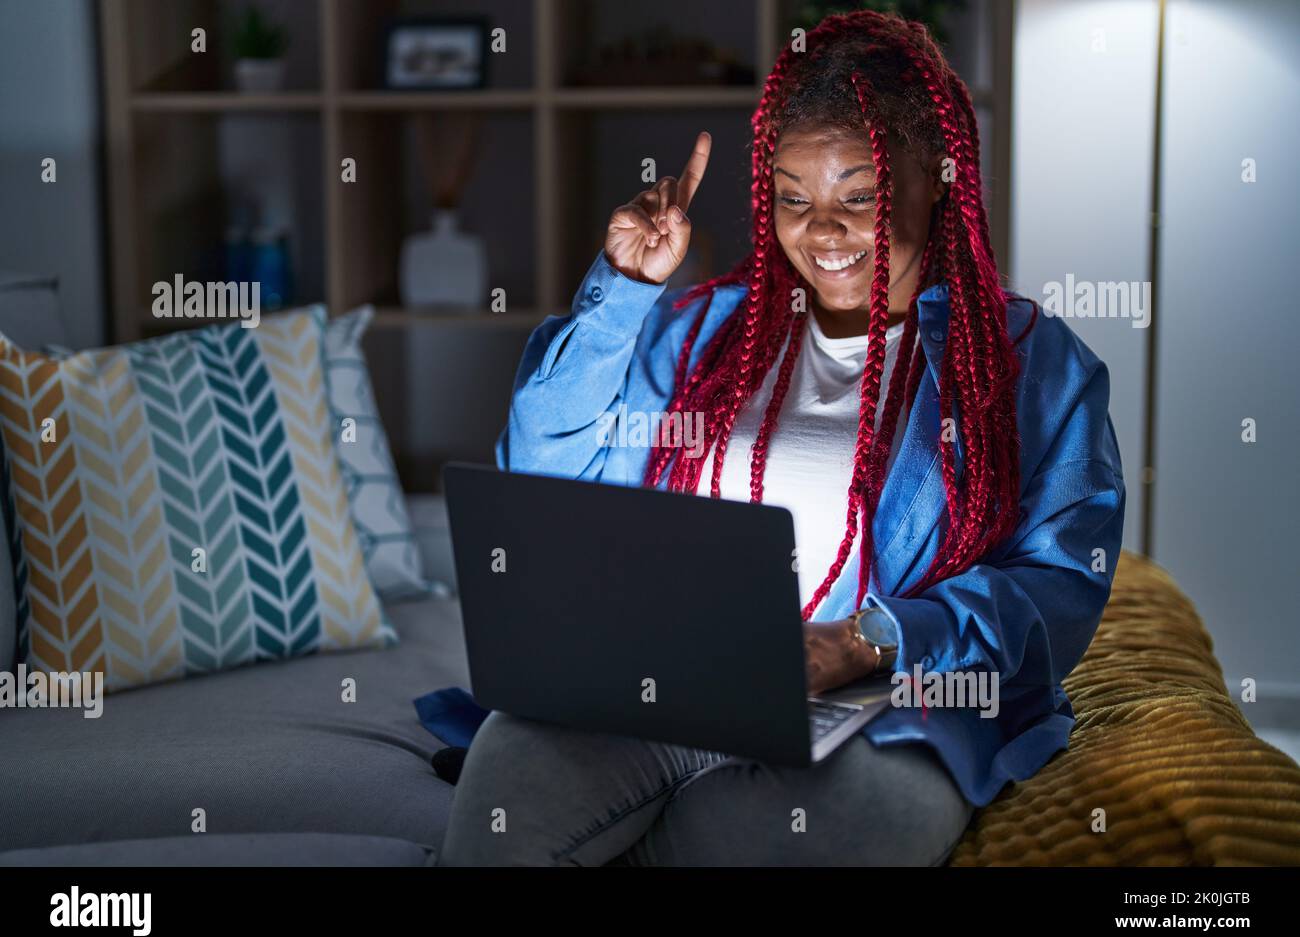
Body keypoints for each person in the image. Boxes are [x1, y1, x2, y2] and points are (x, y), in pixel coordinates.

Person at [435, 9, 1125, 866]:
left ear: (941, 177)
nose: (821, 231)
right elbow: (544, 474)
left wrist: (866, 638)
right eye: (793, 198)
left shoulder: (1034, 366)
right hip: (674, 678)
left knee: (848, 824)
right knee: (511, 774)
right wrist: (620, 292)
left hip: (888, 699)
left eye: (860, 197)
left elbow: (1057, 586)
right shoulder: (700, 331)